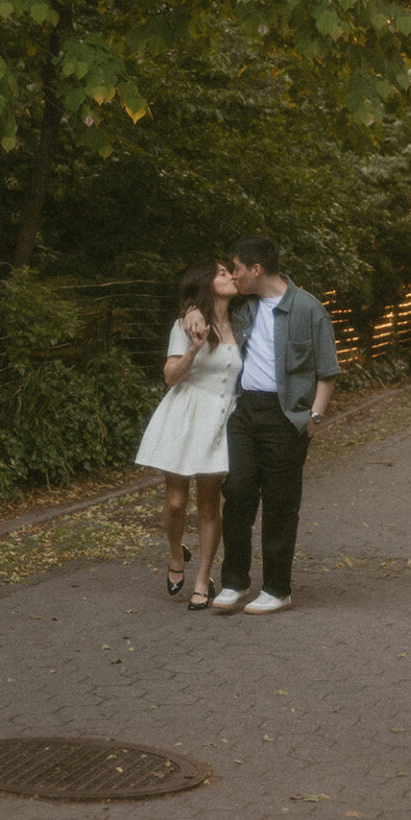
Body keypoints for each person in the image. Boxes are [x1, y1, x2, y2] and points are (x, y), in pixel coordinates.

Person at [187, 236, 339, 614]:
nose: (233, 274)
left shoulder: (308, 309)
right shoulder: (244, 304)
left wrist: (314, 418)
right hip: (243, 413)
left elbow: (327, 371)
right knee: (236, 494)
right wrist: (191, 308)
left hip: (287, 416)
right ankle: (235, 583)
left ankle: (277, 589)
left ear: (256, 270)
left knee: (280, 504)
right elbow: (207, 299)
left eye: (237, 268)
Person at [135, 261, 241, 610]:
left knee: (209, 504)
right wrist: (194, 348)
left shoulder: (243, 321)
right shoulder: (187, 324)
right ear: (204, 283)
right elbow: (170, 376)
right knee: (176, 502)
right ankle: (176, 555)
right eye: (222, 272)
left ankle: (203, 578)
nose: (230, 276)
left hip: (221, 417)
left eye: (230, 271)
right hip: (185, 414)